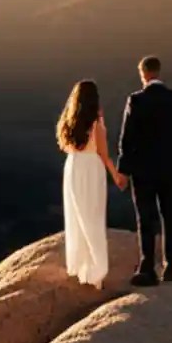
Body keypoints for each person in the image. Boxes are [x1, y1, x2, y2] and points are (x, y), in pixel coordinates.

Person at [117, 56, 172, 287]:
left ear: (144, 74)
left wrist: (123, 169)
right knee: (170, 217)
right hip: (170, 169)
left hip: (143, 170)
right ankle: (170, 267)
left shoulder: (137, 100)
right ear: (158, 72)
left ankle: (147, 266)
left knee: (145, 218)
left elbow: (126, 139)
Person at [56, 80, 127, 288]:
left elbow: (67, 146)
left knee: (77, 216)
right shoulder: (95, 123)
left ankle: (79, 265)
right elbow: (103, 154)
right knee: (93, 216)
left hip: (73, 166)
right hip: (90, 169)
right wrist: (116, 176)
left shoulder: (69, 122)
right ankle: (96, 269)